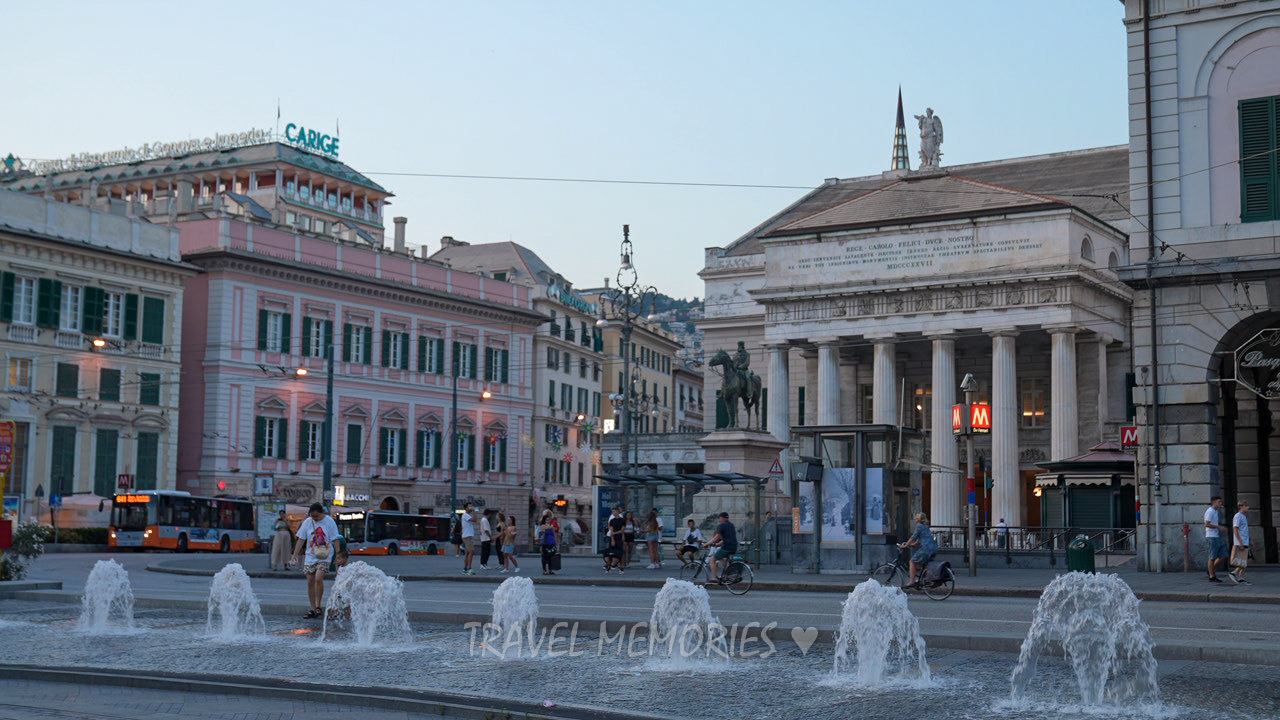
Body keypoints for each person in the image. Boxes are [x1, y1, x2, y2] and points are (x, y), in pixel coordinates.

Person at [290, 503, 338, 619]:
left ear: (322, 513)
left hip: (325, 554)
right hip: (310, 555)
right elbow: (301, 539)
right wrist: (294, 555)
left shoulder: (329, 521)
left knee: (318, 578)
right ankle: (312, 608)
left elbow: (335, 539)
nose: (315, 519)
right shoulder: (307, 522)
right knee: (310, 581)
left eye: (317, 516)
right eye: (313, 517)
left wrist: (338, 555)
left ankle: (318, 606)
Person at [901, 512, 937, 589]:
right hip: (933, 548)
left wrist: (905, 545)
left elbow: (913, 537)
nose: (915, 519)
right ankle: (925, 575)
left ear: (918, 519)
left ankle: (912, 581)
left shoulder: (919, 527)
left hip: (926, 549)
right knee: (919, 564)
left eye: (916, 518)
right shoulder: (925, 527)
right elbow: (922, 538)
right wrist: (914, 544)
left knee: (912, 562)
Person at [705, 512, 738, 583]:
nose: (719, 520)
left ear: (722, 518)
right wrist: (717, 544)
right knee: (720, 557)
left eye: (719, 518)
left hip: (727, 547)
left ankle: (714, 578)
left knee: (712, 559)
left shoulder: (722, 525)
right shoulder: (731, 525)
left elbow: (717, 537)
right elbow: (726, 538)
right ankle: (731, 573)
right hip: (733, 547)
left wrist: (707, 543)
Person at [1204, 496, 1229, 583]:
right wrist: (1219, 527)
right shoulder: (1210, 511)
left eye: (1220, 502)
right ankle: (1212, 576)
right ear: (1214, 502)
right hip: (1211, 537)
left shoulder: (1216, 511)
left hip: (1217, 536)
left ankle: (1211, 569)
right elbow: (1207, 524)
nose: (1220, 503)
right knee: (1212, 557)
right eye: (1219, 502)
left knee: (1224, 554)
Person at [1230, 501, 1251, 585]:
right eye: (1246, 506)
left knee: (1243, 560)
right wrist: (1240, 542)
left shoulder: (1243, 516)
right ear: (1241, 506)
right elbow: (1235, 529)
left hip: (1245, 541)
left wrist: (1250, 540)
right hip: (1241, 541)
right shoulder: (1238, 516)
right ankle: (1234, 573)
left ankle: (1242, 578)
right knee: (1247, 560)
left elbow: (1244, 530)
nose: (1248, 508)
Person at [604, 506, 625, 573]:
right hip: (614, 537)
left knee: (619, 553)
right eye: (612, 511)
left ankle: (620, 567)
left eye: (614, 511)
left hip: (619, 537)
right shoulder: (612, 521)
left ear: (618, 512)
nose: (613, 513)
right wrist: (612, 539)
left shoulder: (622, 520)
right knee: (611, 553)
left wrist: (615, 533)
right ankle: (609, 567)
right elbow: (611, 530)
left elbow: (622, 530)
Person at [460, 503, 478, 575]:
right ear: (466, 508)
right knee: (471, 552)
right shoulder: (465, 515)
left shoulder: (467, 515)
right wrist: (474, 511)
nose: (471, 507)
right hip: (467, 536)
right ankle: (469, 569)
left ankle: (465, 569)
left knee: (467, 553)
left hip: (468, 536)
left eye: (471, 506)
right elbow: (475, 519)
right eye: (470, 506)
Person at [539, 510, 559, 575]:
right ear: (544, 520)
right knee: (545, 557)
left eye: (549, 519)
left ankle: (550, 570)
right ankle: (545, 570)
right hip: (545, 543)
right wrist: (552, 527)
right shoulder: (543, 525)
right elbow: (545, 528)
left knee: (551, 557)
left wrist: (555, 543)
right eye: (546, 519)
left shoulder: (551, 525)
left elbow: (554, 534)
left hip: (551, 543)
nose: (548, 520)